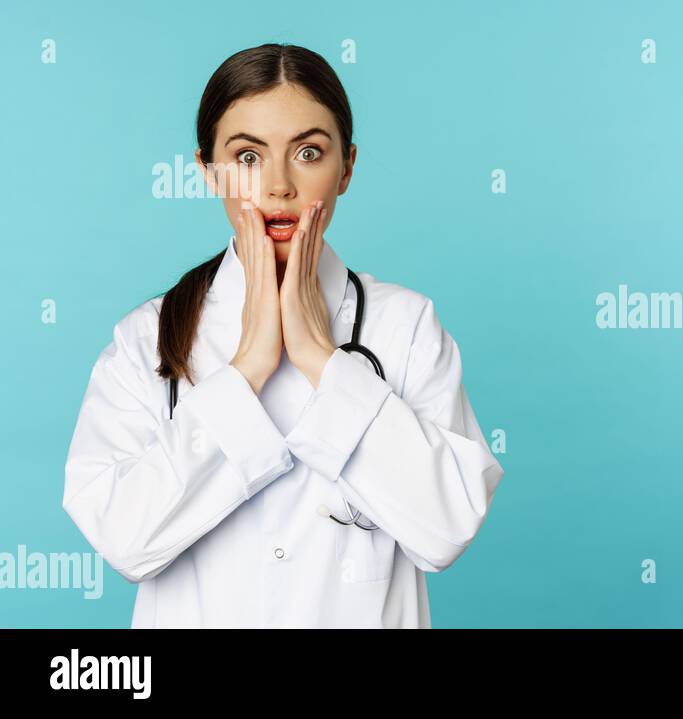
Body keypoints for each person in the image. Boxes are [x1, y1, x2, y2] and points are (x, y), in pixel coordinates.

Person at [62, 44, 504, 628]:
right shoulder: (146, 339)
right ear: (207, 168)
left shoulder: (405, 326)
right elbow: (125, 542)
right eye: (247, 156)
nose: (278, 186)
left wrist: (324, 361)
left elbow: (448, 526)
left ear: (346, 167)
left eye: (308, 151)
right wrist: (246, 371)